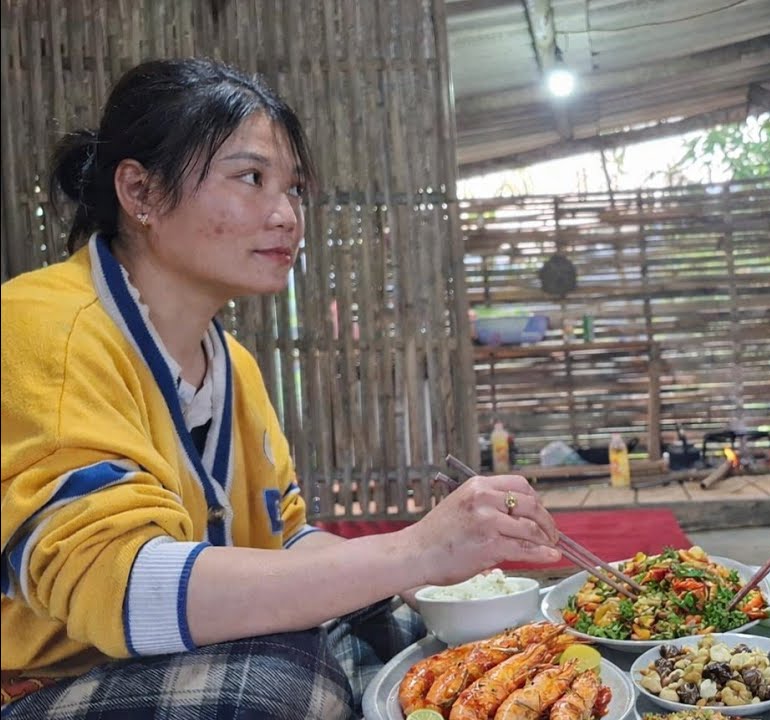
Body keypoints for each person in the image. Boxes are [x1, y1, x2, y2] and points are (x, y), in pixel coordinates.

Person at [0, 58, 562, 719]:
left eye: (293, 187)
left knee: (443, 641)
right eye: (251, 178)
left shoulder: (232, 363)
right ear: (140, 192)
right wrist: (413, 549)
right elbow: (118, 588)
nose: (287, 215)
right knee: (280, 693)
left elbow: (285, 539)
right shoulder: (44, 327)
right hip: (44, 685)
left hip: (181, 658)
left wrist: (433, 579)